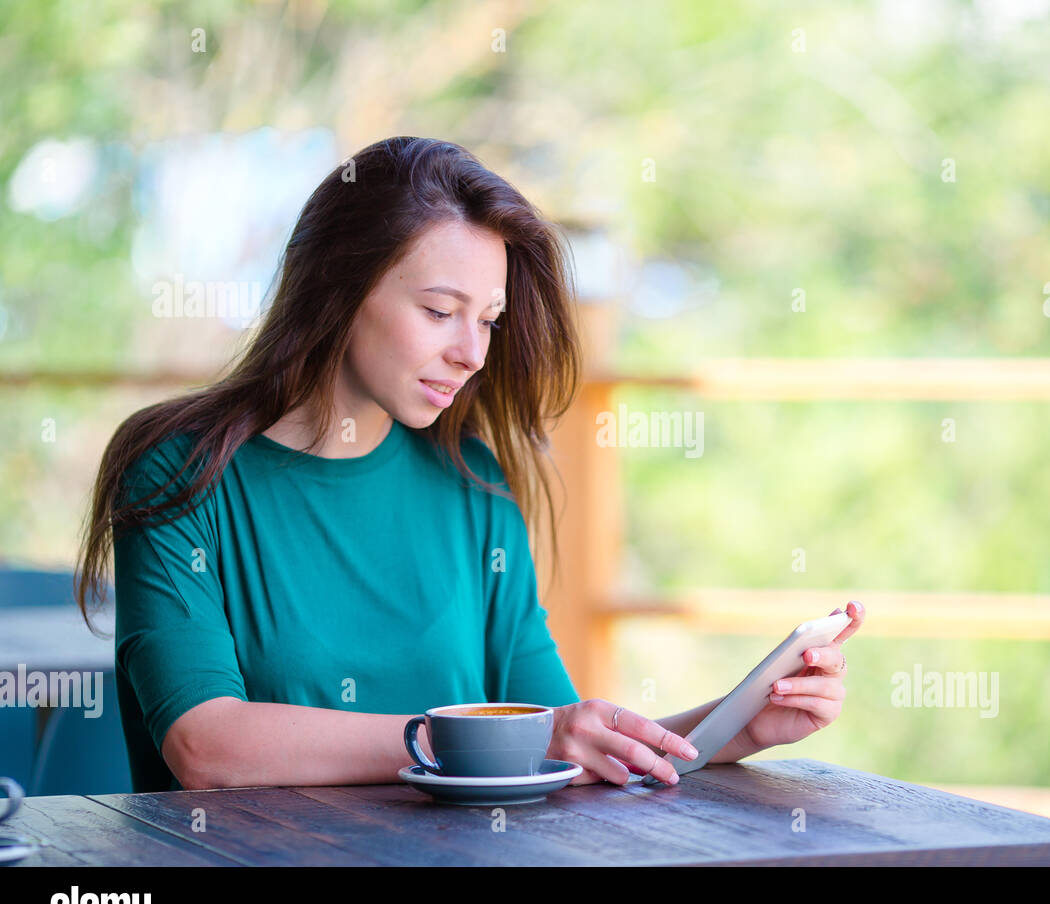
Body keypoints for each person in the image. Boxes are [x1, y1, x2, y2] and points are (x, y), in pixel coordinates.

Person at [74, 135, 863, 793]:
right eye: (439, 311)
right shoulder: (181, 473)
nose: (471, 352)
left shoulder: (472, 488)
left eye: (488, 319)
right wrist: (455, 739)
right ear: (338, 290)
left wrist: (734, 723)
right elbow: (208, 748)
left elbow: (560, 735)